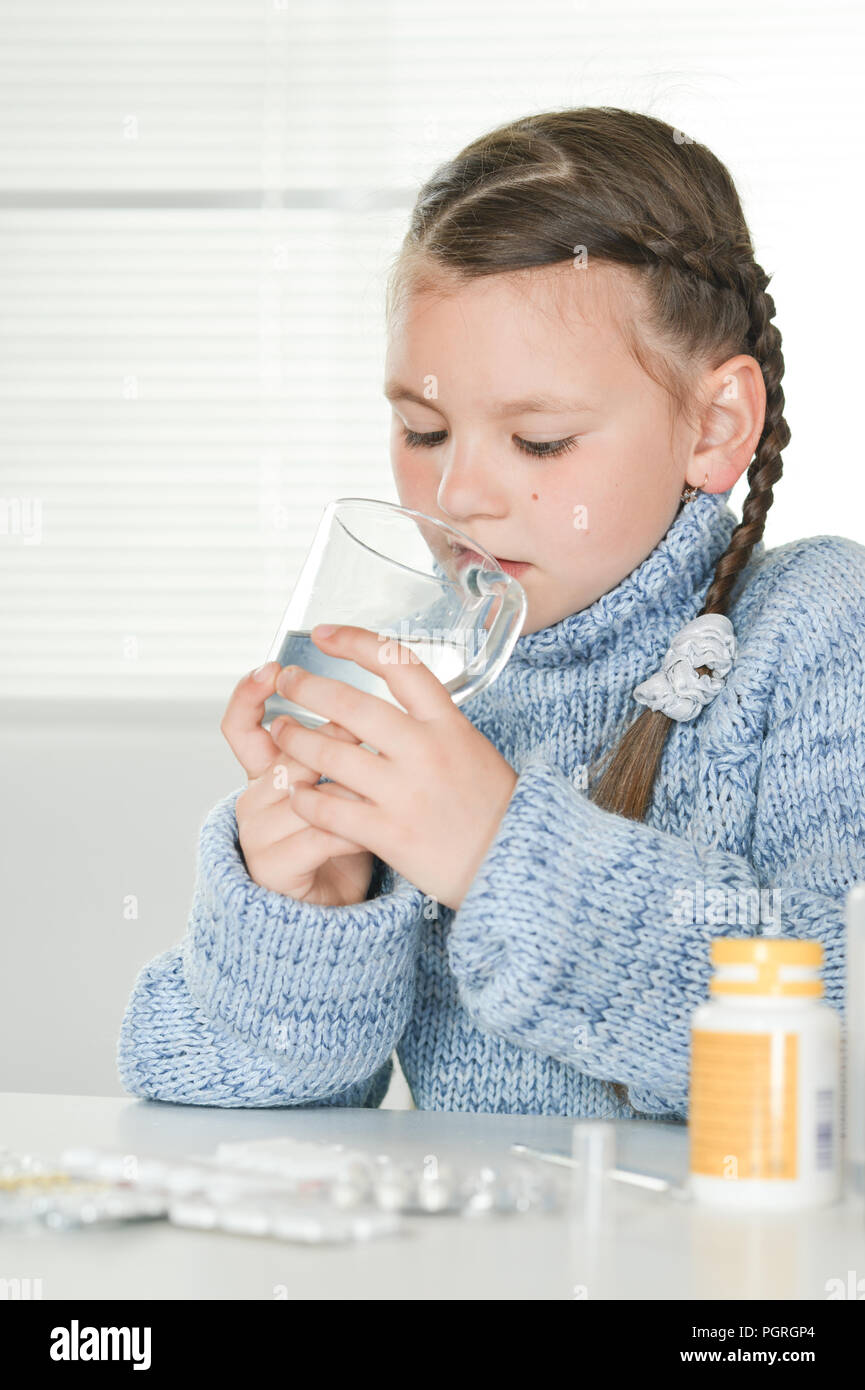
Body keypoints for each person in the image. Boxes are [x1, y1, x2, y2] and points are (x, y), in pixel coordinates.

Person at [117, 107, 865, 1118]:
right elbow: (220, 1100)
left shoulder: (814, 624)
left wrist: (497, 851)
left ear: (715, 424)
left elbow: (841, 1032)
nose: (459, 492)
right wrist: (308, 916)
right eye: (423, 429)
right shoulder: (424, 677)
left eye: (540, 440)